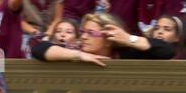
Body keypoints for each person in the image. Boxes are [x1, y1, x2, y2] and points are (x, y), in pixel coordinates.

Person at [30, 11, 175, 61]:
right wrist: (79, 56)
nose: (84, 37)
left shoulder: (125, 53)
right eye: (83, 32)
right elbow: (39, 49)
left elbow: (167, 50)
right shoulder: (75, 49)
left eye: (91, 33)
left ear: (108, 40)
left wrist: (129, 39)